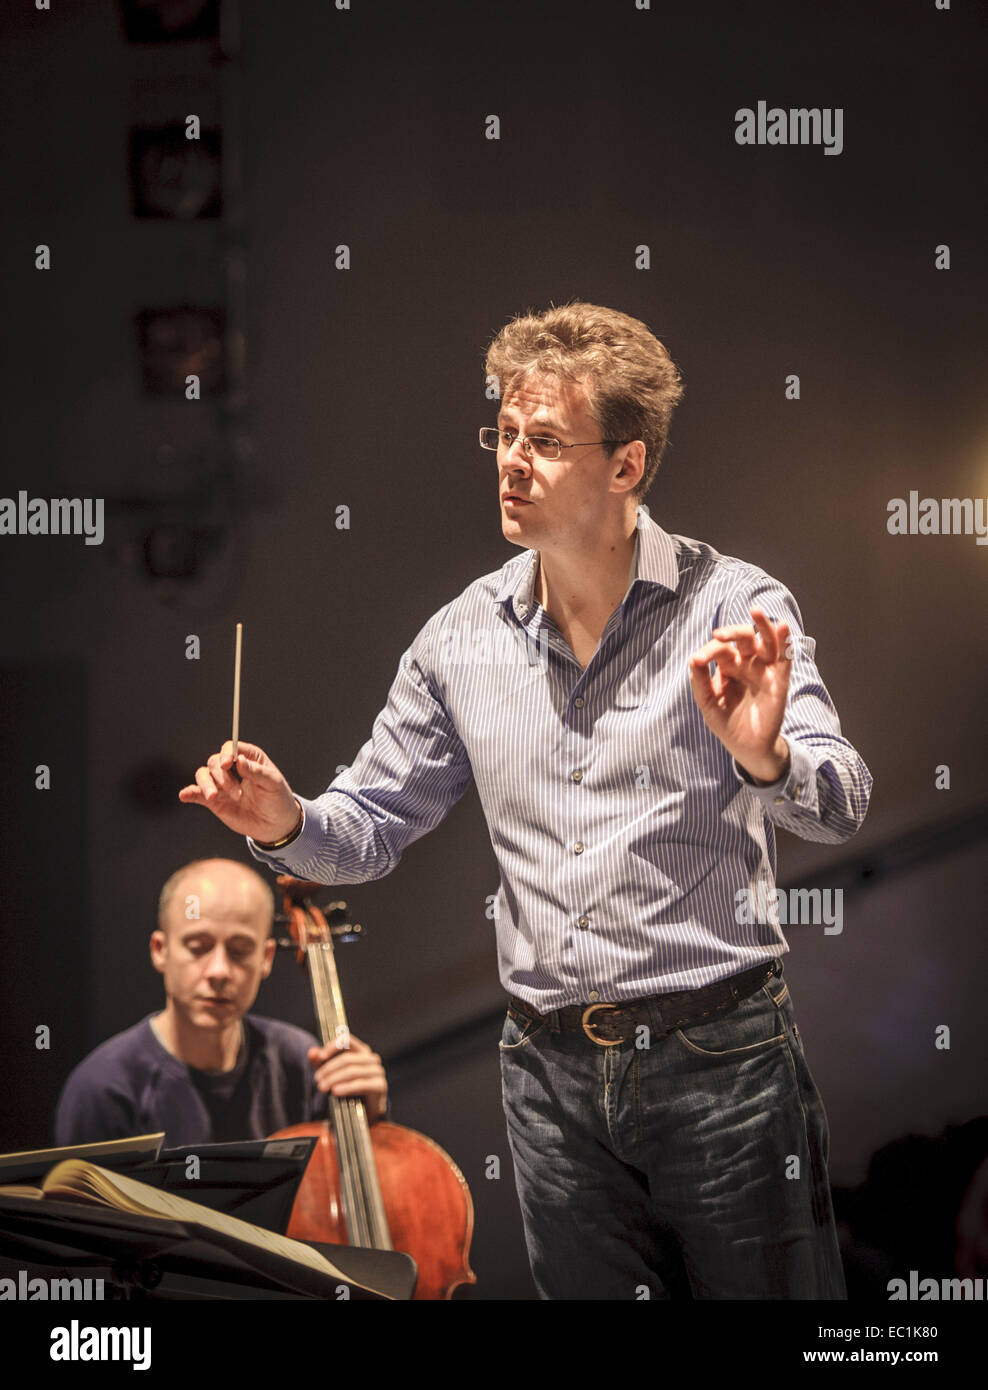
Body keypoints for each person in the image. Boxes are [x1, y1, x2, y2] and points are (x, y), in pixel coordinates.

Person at [179, 301, 872, 1299]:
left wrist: (765, 758)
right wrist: (284, 821)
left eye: (544, 442)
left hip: (720, 1059)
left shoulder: (735, 605)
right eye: (503, 434)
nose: (511, 461)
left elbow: (840, 802)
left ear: (626, 465)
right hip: (548, 1078)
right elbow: (366, 830)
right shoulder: (460, 637)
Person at [54, 857, 387, 1148]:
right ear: (160, 951)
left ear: (266, 958)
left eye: (240, 951)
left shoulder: (301, 1064)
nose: (219, 971)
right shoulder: (104, 1088)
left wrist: (372, 1119)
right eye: (197, 947)